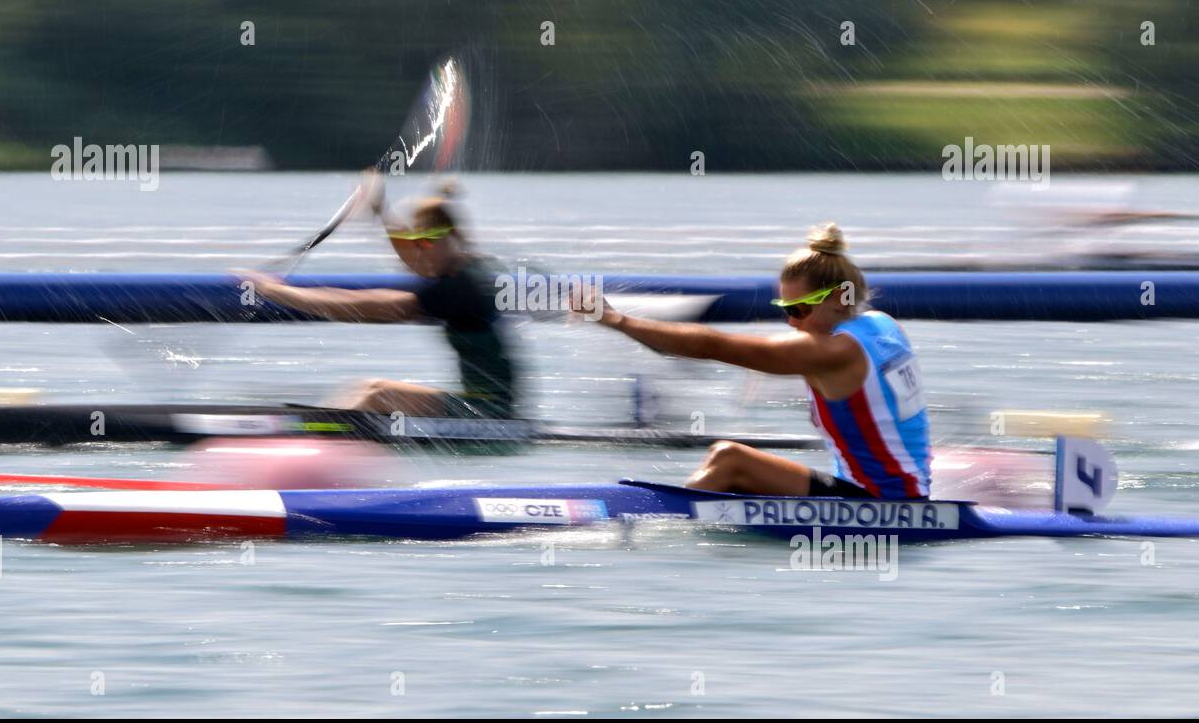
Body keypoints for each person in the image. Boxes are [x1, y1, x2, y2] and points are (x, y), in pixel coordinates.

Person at [576, 223, 930, 498]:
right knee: (723, 455)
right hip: (900, 493)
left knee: (730, 459)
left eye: (799, 309)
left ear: (839, 297)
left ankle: (661, 522)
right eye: (785, 310)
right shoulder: (883, 325)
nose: (792, 321)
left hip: (882, 505)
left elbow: (715, 346)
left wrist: (618, 321)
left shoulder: (833, 352)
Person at [241, 172, 519, 420]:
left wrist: (277, 292)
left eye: (425, 243)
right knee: (368, 388)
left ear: (448, 238)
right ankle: (324, 428)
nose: (419, 253)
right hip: (485, 405)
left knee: (377, 394)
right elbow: (412, 259)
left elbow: (369, 306)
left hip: (489, 412)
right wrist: (381, 211)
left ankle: (318, 434)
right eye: (416, 243)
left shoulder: (459, 287)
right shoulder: (466, 265)